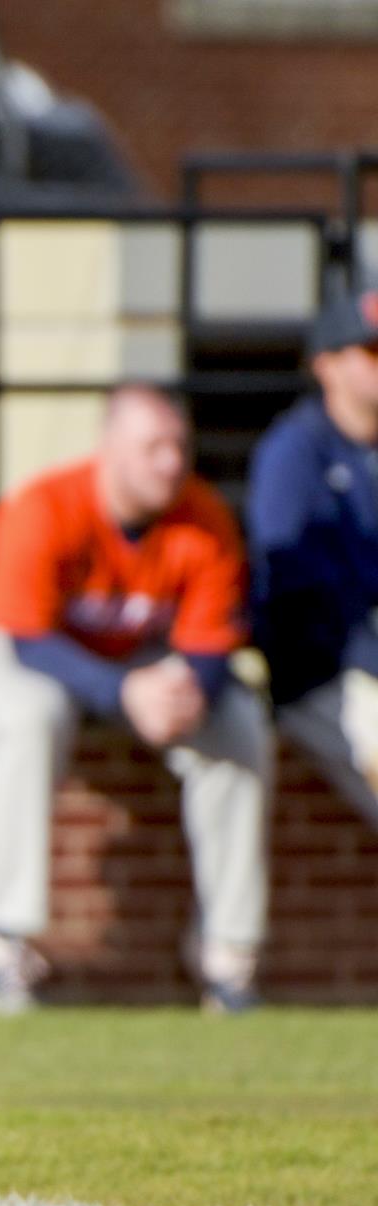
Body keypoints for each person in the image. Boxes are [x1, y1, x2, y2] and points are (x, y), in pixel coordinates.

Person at [0, 385, 271, 1015]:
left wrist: (188, 689)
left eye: (178, 446)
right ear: (108, 450)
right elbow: (30, 639)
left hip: (128, 658)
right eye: (152, 448)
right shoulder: (45, 504)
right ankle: (2, 941)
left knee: (236, 722)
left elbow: (212, 641)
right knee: (33, 714)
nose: (170, 462)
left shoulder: (204, 520)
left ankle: (229, 955)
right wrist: (123, 694)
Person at [247, 290, 378, 830]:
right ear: (326, 365)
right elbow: (297, 601)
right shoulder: (295, 453)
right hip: (328, 676)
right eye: (370, 353)